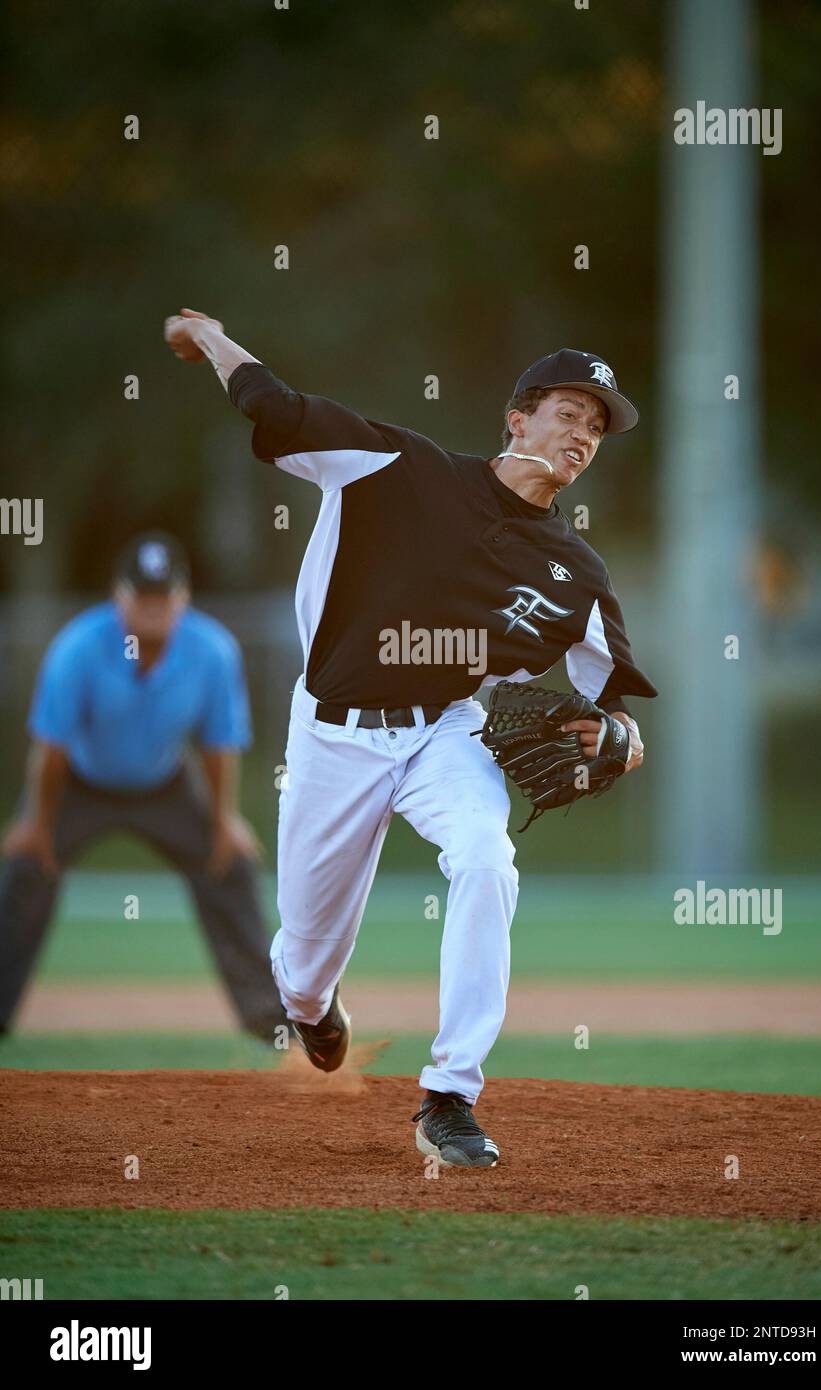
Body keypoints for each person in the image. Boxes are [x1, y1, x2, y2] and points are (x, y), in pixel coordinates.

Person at [164, 308, 657, 1168]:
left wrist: (620, 732)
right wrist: (209, 338)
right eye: (568, 414)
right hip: (332, 738)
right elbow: (274, 404)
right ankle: (317, 1011)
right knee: (303, 970)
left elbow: (614, 692)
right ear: (518, 418)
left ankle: (449, 1096)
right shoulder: (398, 466)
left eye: (596, 427)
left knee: (486, 858)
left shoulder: (575, 571)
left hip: (446, 734)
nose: (582, 435)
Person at [0, 531, 285, 1043]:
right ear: (119, 596)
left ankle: (269, 1017)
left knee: (231, 862)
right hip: (79, 783)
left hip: (164, 783)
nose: (153, 608)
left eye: (164, 596)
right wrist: (37, 825)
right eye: (142, 596)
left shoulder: (212, 651)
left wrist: (224, 822)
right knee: (26, 868)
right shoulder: (77, 648)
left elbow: (219, 746)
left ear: (184, 597)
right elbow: (52, 747)